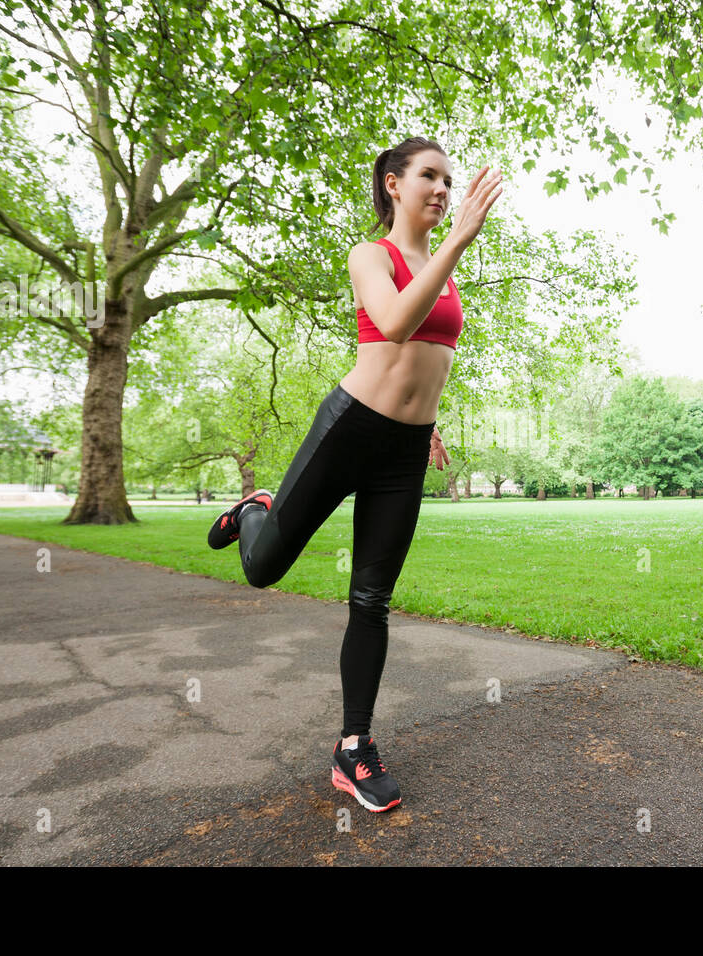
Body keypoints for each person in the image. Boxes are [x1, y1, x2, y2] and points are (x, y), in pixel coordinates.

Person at [205, 136, 503, 812]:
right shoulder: (373, 255)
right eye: (429, 175)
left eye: (449, 181)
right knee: (262, 569)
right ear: (393, 184)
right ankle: (255, 510)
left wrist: (430, 425)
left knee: (371, 599)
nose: (442, 189)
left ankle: (352, 748)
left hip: (405, 447)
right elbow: (395, 322)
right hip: (350, 428)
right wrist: (459, 240)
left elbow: (429, 354)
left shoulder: (442, 268)